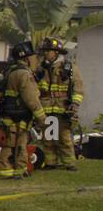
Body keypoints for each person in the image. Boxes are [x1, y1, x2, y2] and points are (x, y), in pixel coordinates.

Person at [0, 40, 46, 179]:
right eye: (33, 57)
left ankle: (13, 171)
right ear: (27, 58)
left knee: (11, 144)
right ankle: (13, 171)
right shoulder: (24, 74)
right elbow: (31, 99)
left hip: (10, 115)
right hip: (19, 116)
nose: (35, 60)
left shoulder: (10, 71)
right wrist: (42, 118)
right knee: (19, 145)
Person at [35, 37, 84, 171]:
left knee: (64, 137)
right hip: (46, 107)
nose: (45, 54)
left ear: (56, 52)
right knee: (48, 137)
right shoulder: (41, 69)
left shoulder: (69, 68)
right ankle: (51, 162)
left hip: (63, 107)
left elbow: (78, 88)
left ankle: (69, 163)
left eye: (48, 51)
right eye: (44, 51)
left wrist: (74, 104)